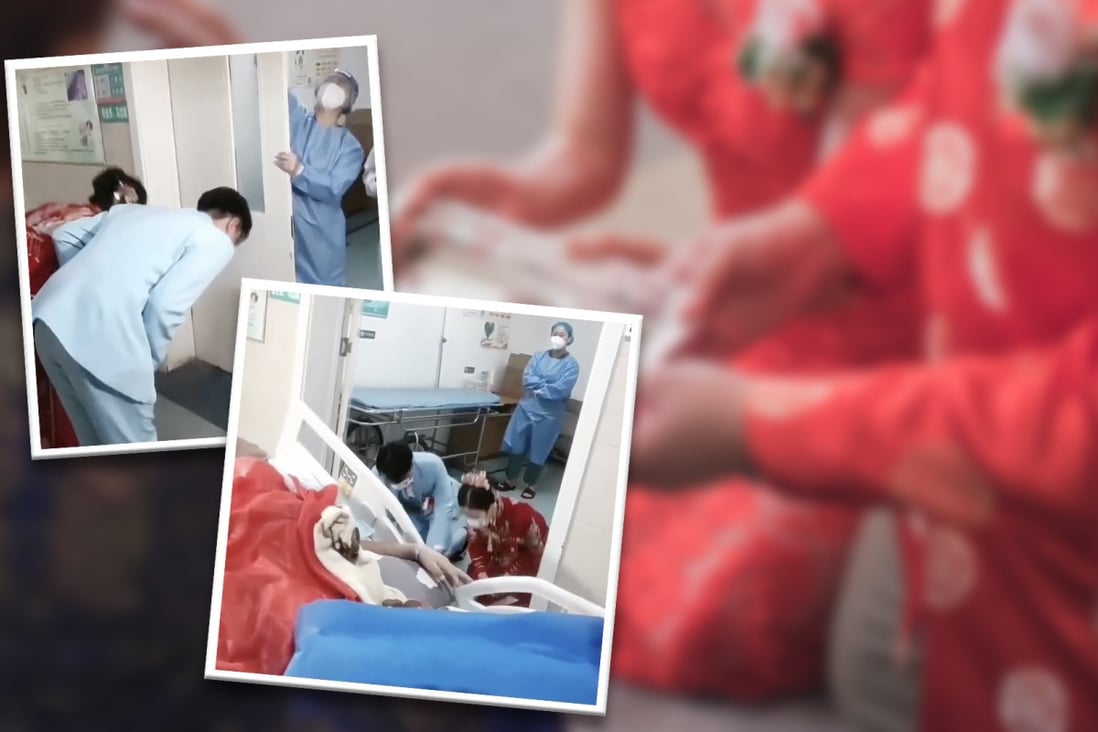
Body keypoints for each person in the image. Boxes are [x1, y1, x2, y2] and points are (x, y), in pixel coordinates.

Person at [629, 0, 1098, 729]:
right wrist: (817, 235)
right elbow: (967, 95)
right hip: (958, 493)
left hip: (1050, 564)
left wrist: (759, 425)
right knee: (878, 669)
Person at [31, 186, 251, 447]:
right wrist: (148, 362)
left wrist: (85, 299)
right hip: (103, 337)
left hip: (47, 321)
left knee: (91, 444)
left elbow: (65, 235)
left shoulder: (131, 212)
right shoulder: (216, 240)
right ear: (234, 226)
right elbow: (164, 305)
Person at [276, 69, 367, 286]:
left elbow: (335, 187)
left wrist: (299, 171)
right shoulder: (299, 121)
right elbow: (277, 93)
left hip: (321, 230)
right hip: (286, 220)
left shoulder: (350, 147)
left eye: (340, 85)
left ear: (348, 101)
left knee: (322, 283)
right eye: (330, 81)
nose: (333, 87)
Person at [501, 321, 580, 500]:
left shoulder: (571, 365)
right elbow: (528, 378)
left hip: (549, 415)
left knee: (540, 449)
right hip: (526, 408)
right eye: (555, 333)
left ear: (570, 339)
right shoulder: (537, 357)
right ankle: (510, 480)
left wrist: (540, 388)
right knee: (517, 444)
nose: (558, 338)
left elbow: (562, 388)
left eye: (562, 335)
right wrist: (544, 386)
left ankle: (531, 484)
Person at [458, 470, 549, 608]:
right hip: (498, 557)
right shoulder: (480, 520)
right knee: (470, 588)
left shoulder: (522, 517)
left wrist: (507, 579)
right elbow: (476, 546)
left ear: (493, 504)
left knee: (509, 606)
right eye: (468, 516)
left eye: (476, 517)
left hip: (525, 561)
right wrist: (482, 574)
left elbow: (532, 556)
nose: (472, 522)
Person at [373, 441, 467, 560]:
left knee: (446, 545)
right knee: (411, 542)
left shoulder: (433, 465)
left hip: (446, 503)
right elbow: (377, 507)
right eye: (396, 482)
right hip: (415, 511)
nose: (403, 483)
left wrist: (431, 553)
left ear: (411, 465)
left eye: (406, 479)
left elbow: (443, 507)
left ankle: (460, 546)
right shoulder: (378, 473)